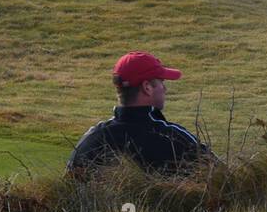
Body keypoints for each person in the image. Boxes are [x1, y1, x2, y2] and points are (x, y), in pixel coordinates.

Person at [67, 52, 210, 176]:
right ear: (147, 87)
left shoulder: (92, 139)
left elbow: (65, 192)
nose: (165, 88)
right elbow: (223, 180)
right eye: (161, 81)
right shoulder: (174, 138)